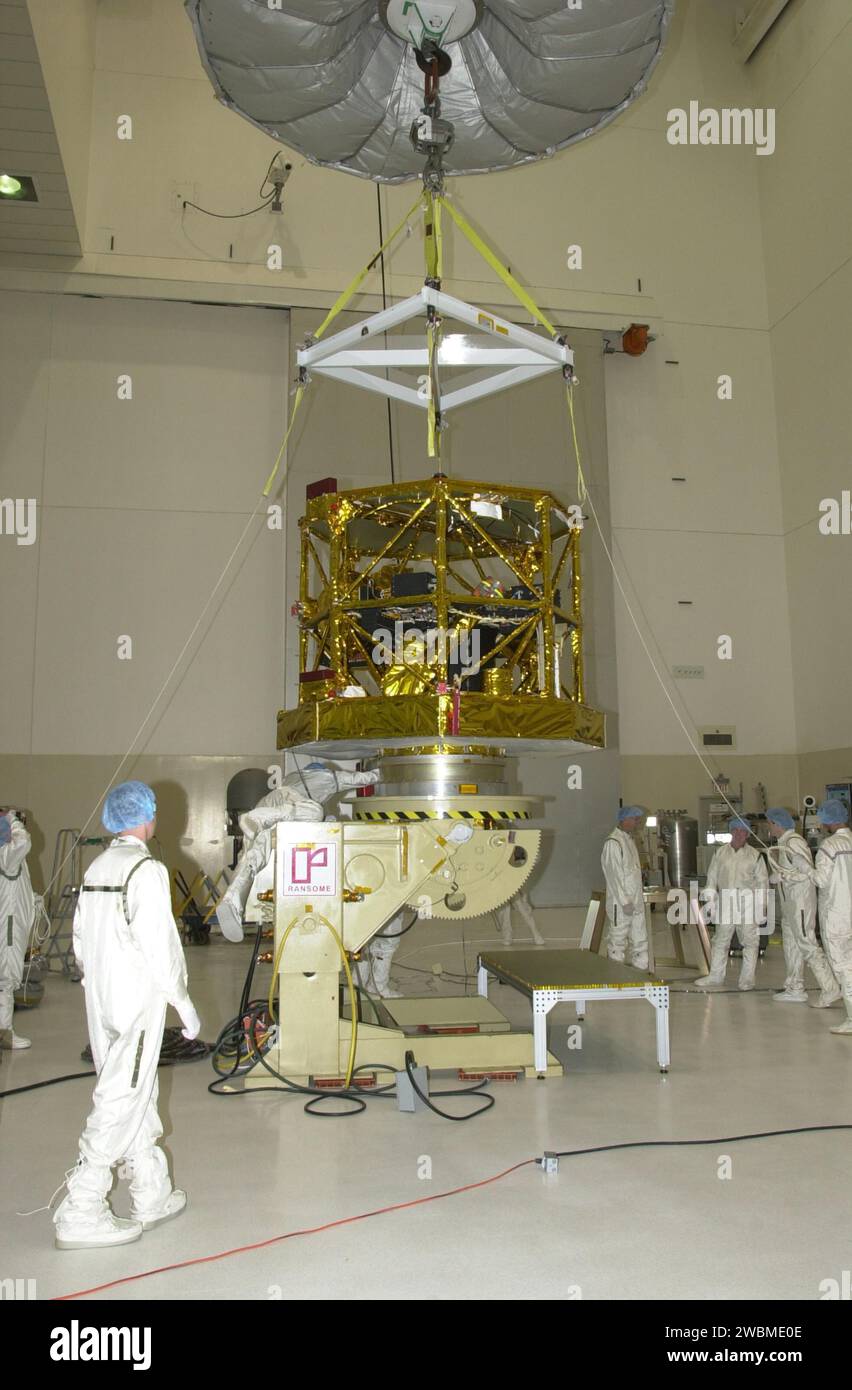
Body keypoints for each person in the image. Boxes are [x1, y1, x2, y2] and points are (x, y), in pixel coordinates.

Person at [53, 781, 200, 1251]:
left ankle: (150, 1193)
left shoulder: (98, 866)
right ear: (147, 818)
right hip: (136, 1001)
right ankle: (81, 1207)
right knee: (120, 1097)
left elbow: (79, 939)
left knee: (136, 1087)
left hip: (101, 1000)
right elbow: (161, 947)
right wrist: (183, 1001)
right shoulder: (145, 870)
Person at [217, 760, 380, 943]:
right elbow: (360, 778)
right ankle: (255, 817)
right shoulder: (322, 777)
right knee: (315, 812)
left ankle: (232, 903)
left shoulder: (291, 778)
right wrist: (388, 771)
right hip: (284, 808)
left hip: (267, 808)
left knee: (251, 857)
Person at [781, 800, 852, 1036]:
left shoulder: (830, 846)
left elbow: (821, 880)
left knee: (843, 967)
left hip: (836, 914)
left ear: (827, 820)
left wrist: (803, 867)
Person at [765, 807, 839, 1007]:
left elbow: (808, 872)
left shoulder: (794, 842)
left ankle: (830, 988)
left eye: (770, 823)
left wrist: (783, 876)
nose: (768, 827)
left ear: (777, 824)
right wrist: (781, 876)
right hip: (790, 904)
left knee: (807, 944)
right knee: (792, 945)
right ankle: (795, 987)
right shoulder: (785, 843)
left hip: (801, 903)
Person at [694, 817, 769, 991]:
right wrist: (710, 901)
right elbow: (712, 878)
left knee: (750, 942)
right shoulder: (720, 853)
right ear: (730, 832)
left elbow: (762, 883)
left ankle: (747, 980)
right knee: (721, 941)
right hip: (725, 902)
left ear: (748, 833)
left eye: (743, 831)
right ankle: (715, 976)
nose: (739, 834)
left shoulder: (755, 856)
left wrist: (761, 907)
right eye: (735, 830)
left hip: (748, 903)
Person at [0, 808, 36, 1050]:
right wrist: (11, 817)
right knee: (6, 979)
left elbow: (16, 891)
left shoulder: (11, 859)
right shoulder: (6, 854)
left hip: (12, 923)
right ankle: (5, 1033)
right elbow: (23, 842)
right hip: (8, 928)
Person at [601, 806, 648, 971]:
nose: (637, 823)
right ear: (624, 820)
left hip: (636, 900)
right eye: (635, 819)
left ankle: (641, 970)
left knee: (640, 937)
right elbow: (613, 876)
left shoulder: (629, 840)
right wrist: (624, 901)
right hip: (620, 904)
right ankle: (615, 974)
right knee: (618, 939)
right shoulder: (613, 843)